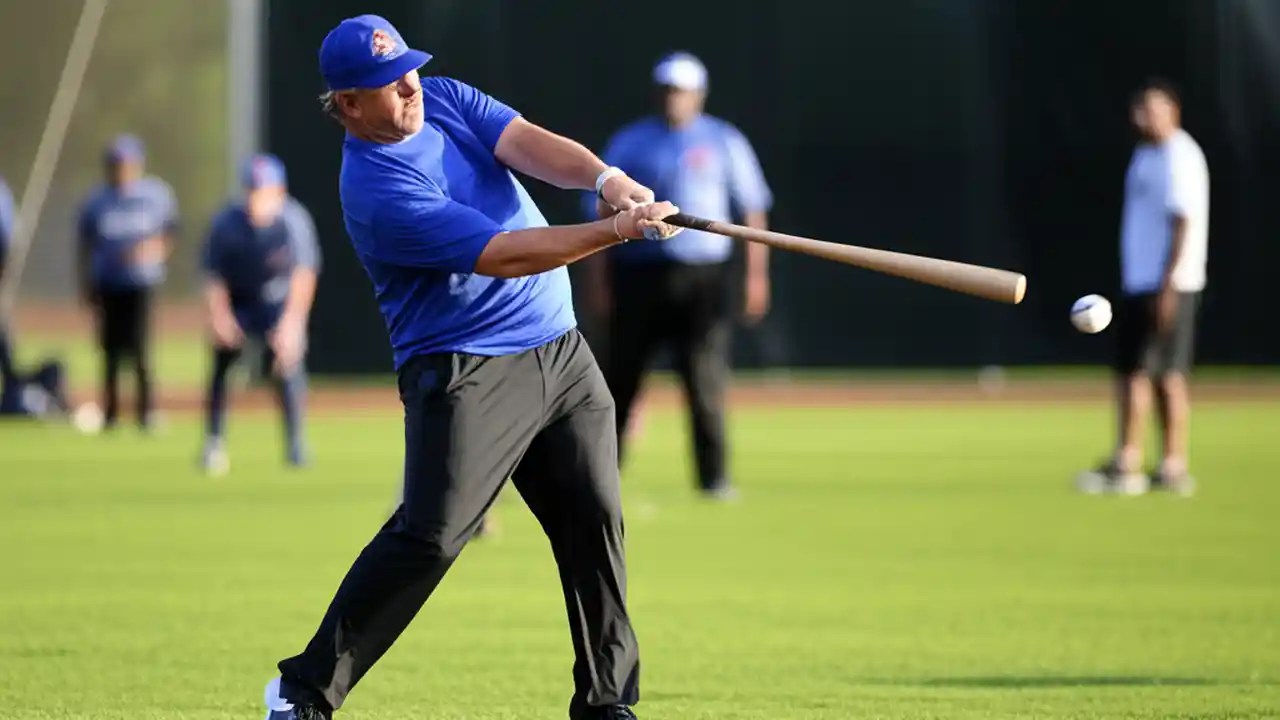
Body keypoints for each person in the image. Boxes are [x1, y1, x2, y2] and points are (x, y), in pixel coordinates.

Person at [262, 15, 682, 720]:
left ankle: (608, 702)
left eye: (409, 70)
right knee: (431, 537)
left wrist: (609, 180)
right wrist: (615, 231)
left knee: (594, 520)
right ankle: (305, 690)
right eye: (386, 85)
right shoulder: (375, 191)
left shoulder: (445, 98)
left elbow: (526, 144)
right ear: (349, 105)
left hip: (560, 351)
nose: (408, 87)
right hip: (466, 372)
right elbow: (506, 252)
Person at [582, 51, 773, 500]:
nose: (674, 99)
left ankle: (713, 478)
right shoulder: (630, 142)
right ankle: (600, 478)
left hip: (703, 277)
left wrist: (756, 277)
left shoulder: (725, 140)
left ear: (698, 95)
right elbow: (599, 214)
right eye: (668, 90)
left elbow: (752, 209)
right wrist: (599, 280)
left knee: (705, 378)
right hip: (639, 273)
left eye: (682, 91)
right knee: (621, 381)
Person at [1078, 79, 1209, 497]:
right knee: (1138, 372)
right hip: (1142, 280)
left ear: (1173, 111)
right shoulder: (1145, 154)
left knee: (1159, 374)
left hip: (1167, 282)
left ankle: (1156, 463)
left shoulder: (1179, 156)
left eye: (1151, 109)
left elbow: (1183, 220)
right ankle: (1135, 460)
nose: (1142, 118)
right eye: (1139, 110)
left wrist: (1168, 285)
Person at [199, 153, 320, 475]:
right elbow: (214, 276)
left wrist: (292, 326)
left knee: (287, 365)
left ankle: (296, 444)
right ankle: (214, 441)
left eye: (263, 191)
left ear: (279, 191)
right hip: (240, 301)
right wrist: (221, 318)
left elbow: (303, 276)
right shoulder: (226, 223)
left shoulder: (293, 221)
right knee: (222, 362)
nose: (256, 199)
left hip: (278, 304)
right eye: (251, 190)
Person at [76, 134, 179, 432]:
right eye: (115, 164)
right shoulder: (97, 200)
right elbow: (85, 244)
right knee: (109, 350)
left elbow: (171, 232)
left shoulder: (155, 195)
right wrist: (86, 283)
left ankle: (146, 413)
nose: (121, 170)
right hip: (108, 282)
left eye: (126, 164)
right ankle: (110, 414)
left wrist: (153, 250)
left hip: (141, 281)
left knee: (140, 348)